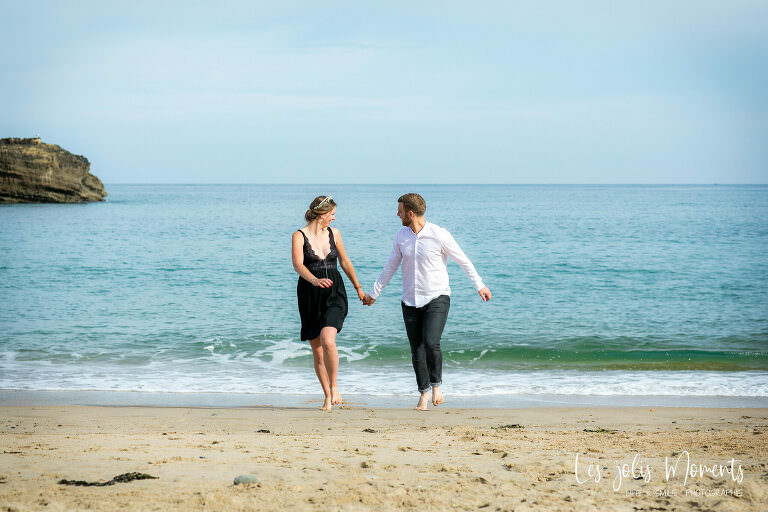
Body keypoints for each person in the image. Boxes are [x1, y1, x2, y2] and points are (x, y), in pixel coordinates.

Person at [363, 193, 491, 410]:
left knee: (431, 342)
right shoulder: (401, 236)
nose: (397, 214)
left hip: (437, 297)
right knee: (417, 349)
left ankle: (437, 385)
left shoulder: (439, 235)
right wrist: (374, 294)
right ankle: (423, 393)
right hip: (410, 300)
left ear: (410, 213)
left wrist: (480, 285)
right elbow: (390, 267)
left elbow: (463, 260)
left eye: (400, 210)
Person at [292, 195, 365, 411]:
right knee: (317, 350)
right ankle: (326, 396)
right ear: (322, 214)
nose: (334, 218)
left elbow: (344, 261)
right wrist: (314, 280)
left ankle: (334, 386)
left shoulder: (335, 233)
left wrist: (358, 288)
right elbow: (297, 264)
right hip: (310, 294)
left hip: (335, 292)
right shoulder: (299, 236)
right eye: (332, 214)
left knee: (328, 340)